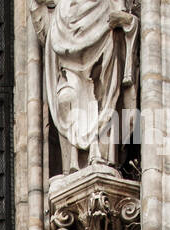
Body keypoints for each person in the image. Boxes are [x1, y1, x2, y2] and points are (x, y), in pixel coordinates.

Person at [31, 0, 139, 173]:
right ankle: (72, 164)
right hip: (69, 53)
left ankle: (101, 156)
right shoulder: (61, 12)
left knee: (104, 99)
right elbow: (44, 32)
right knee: (65, 98)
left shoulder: (109, 5)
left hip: (104, 51)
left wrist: (126, 22)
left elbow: (127, 21)